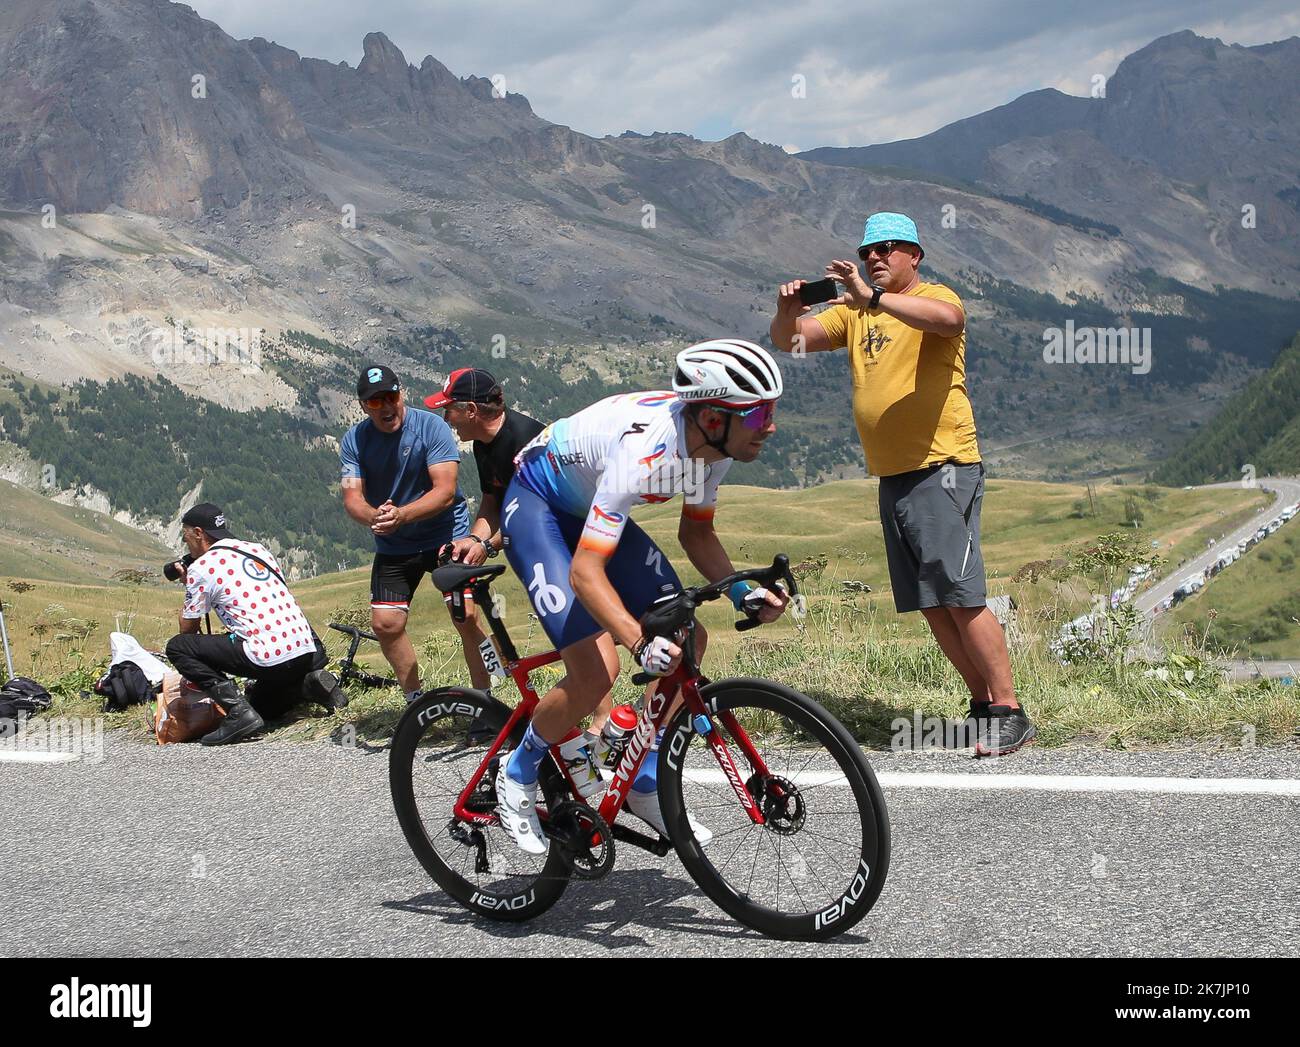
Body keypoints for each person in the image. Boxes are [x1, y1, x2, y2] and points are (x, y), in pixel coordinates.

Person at [494, 339, 792, 853]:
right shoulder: (646, 451)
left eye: (770, 410)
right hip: (538, 506)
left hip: (589, 509)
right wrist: (636, 642)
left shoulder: (713, 451)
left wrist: (743, 592)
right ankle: (516, 771)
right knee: (595, 672)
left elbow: (697, 535)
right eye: (759, 412)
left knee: (688, 637)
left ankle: (645, 779)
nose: (770, 425)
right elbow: (587, 574)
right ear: (714, 417)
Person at [771, 211, 1035, 757]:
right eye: (868, 250)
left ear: (914, 255)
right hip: (894, 474)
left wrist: (870, 299)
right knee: (932, 601)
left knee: (962, 596)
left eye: (888, 248)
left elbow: (946, 322)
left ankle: (1009, 708)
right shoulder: (856, 312)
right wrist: (787, 309)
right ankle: (983, 704)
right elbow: (790, 342)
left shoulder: (933, 296)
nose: (875, 257)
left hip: (942, 466)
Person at [340, 364, 473, 703]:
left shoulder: (431, 426)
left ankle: (486, 700)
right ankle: (417, 702)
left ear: (402, 394)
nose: (385, 407)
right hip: (395, 544)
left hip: (444, 533)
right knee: (385, 624)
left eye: (390, 397)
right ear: (363, 406)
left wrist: (401, 515)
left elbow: (445, 491)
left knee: (465, 616)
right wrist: (375, 517)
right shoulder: (354, 440)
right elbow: (352, 497)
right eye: (374, 403)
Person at [164, 503, 346, 746]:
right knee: (261, 708)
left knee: (178, 646)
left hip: (266, 655)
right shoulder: (257, 550)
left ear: (198, 533)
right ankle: (309, 686)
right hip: (304, 651)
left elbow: (188, 630)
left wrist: (191, 585)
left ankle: (238, 714)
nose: (187, 545)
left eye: (186, 538)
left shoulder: (203, 567)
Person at [424, 367, 545, 694]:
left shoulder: (526, 441)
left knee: (581, 633)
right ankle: (508, 695)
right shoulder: (482, 443)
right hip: (529, 544)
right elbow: (492, 501)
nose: (447, 418)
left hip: (559, 540)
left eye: (449, 409)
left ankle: (601, 720)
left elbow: (536, 510)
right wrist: (472, 540)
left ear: (472, 411)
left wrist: (488, 546)